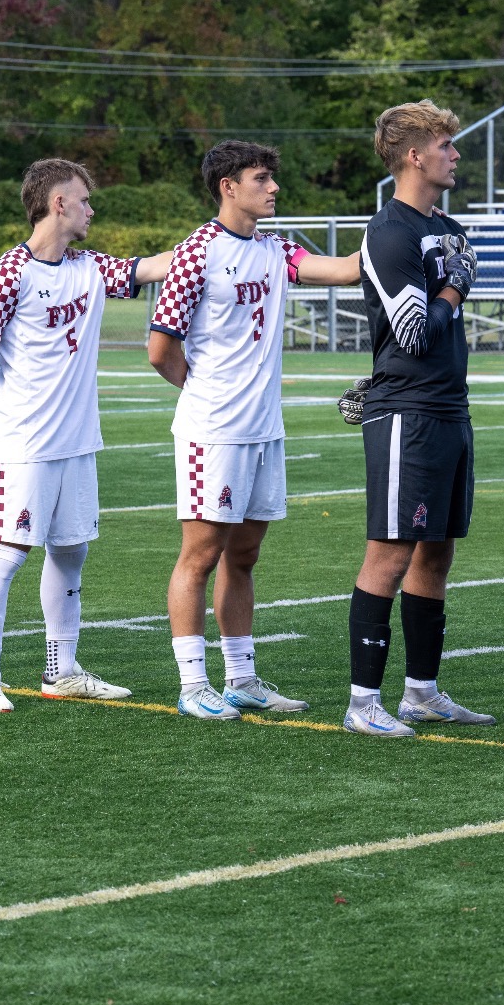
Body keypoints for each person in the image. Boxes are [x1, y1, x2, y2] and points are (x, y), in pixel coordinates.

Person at [146, 140, 362, 721]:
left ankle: (241, 677)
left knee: (244, 555)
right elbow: (160, 349)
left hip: (264, 429)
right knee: (201, 554)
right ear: (228, 186)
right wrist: (206, 393)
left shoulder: (276, 250)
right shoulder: (197, 252)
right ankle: (194, 684)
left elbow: (343, 271)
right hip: (213, 429)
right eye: (262, 179)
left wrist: (397, 223)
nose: (273, 189)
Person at [0, 160, 172, 713]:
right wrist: (10, 402)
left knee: (71, 551)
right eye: (83, 200)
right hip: (24, 443)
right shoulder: (12, 271)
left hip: (78, 442)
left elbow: (146, 268)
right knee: (6, 554)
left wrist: (208, 250)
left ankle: (63, 670)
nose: (91, 209)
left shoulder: (89, 266)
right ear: (57, 204)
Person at [337, 101, 495, 735]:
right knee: (390, 554)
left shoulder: (448, 225)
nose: (455, 155)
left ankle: (422, 691)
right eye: (445, 145)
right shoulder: (390, 231)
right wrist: (454, 289)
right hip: (408, 410)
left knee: (438, 552)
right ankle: (361, 704)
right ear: (414, 154)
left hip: (449, 407)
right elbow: (413, 332)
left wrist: (453, 288)